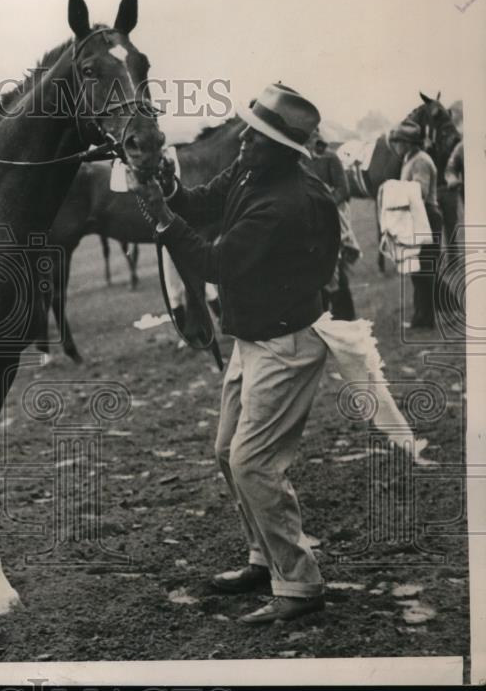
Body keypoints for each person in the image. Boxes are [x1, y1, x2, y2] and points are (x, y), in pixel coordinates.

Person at [127, 83, 340, 624]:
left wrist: (160, 217)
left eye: (257, 136)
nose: (244, 140)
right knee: (228, 452)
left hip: (286, 346)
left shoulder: (286, 204)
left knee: (253, 462)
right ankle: (263, 558)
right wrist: (167, 186)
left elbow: (211, 264)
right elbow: (199, 204)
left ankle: (299, 583)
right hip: (256, 338)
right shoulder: (253, 170)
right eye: (249, 130)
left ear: (281, 150)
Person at [388, 121, 442, 329]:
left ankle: (426, 318)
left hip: (426, 217)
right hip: (417, 218)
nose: (395, 147)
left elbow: (421, 192)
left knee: (425, 269)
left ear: (408, 143)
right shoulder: (409, 159)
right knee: (418, 269)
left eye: (398, 142)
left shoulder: (420, 161)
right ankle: (423, 315)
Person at [307, 138, 356, 320]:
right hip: (307, 226)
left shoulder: (330, 158)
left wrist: (324, 205)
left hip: (330, 222)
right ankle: (325, 319)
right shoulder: (295, 159)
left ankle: (346, 318)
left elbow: (344, 190)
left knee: (336, 271)